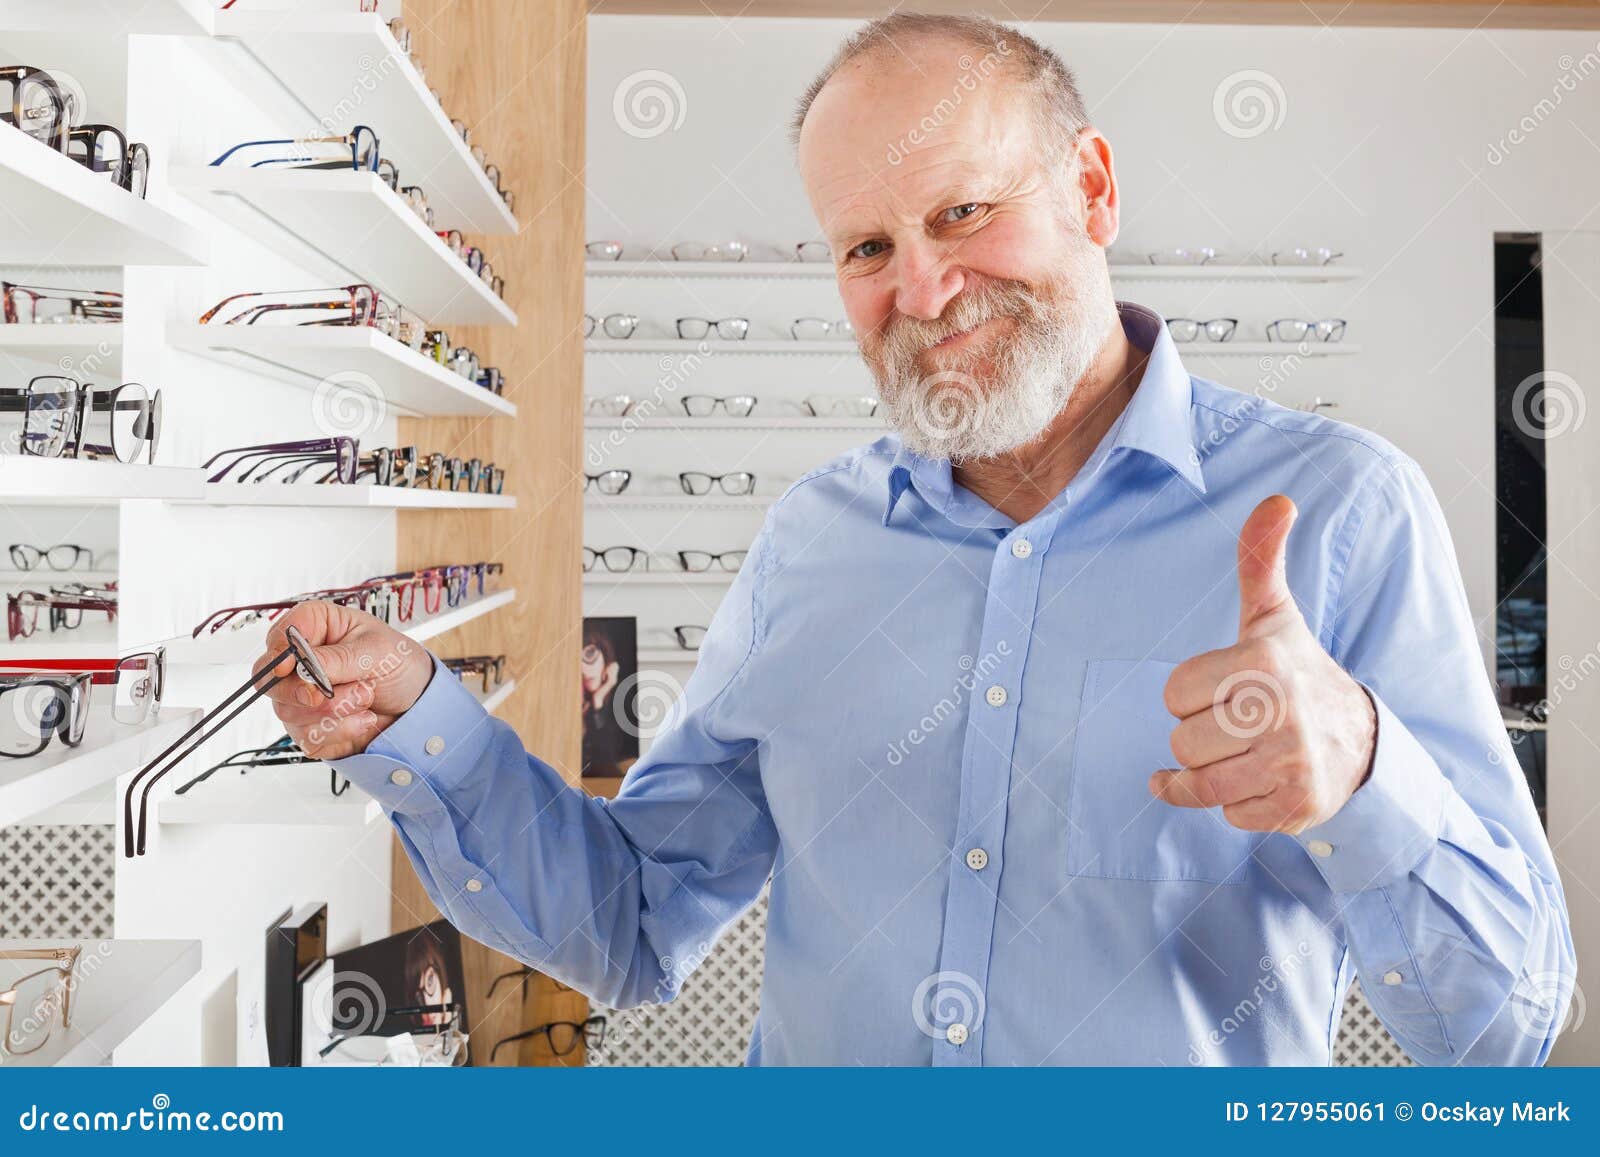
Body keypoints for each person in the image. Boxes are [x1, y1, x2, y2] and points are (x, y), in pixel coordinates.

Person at [256, 12, 1574, 1065]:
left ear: (1094, 187)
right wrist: (419, 719)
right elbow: (637, 920)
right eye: (866, 246)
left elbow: (1501, 1028)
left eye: (961, 214)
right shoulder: (811, 542)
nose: (924, 291)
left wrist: (1362, 779)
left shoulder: (1343, 511)